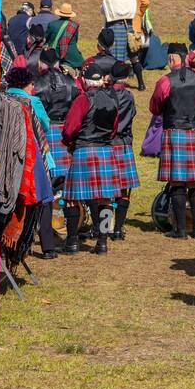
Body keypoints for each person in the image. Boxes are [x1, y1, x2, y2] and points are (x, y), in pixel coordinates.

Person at [150, 44, 195, 239]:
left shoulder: (165, 81)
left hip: (175, 131)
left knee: (177, 182)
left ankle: (180, 229)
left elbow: (155, 107)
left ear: (171, 59)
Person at [60, 60, 121, 255]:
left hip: (84, 150)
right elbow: (114, 129)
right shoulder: (112, 100)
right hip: (105, 151)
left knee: (71, 198)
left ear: (85, 81)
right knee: (105, 199)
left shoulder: (83, 100)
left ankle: (71, 242)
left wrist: (69, 142)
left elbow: (70, 128)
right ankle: (102, 242)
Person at [32, 49, 77, 258]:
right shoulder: (70, 82)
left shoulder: (37, 83)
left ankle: (46, 234)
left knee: (46, 187)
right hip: (64, 132)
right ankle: (72, 235)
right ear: (58, 62)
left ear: (42, 63)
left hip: (46, 132)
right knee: (68, 186)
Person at [105, 61, 139, 241]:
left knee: (106, 192)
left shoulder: (104, 94)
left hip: (107, 144)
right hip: (124, 144)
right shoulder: (129, 96)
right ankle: (118, 230)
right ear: (125, 77)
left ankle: (104, 229)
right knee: (124, 190)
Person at [100, 0, 138, 68]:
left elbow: (103, 11)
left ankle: (116, 76)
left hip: (114, 28)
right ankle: (140, 82)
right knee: (133, 56)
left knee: (113, 55)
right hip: (128, 27)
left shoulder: (108, 0)